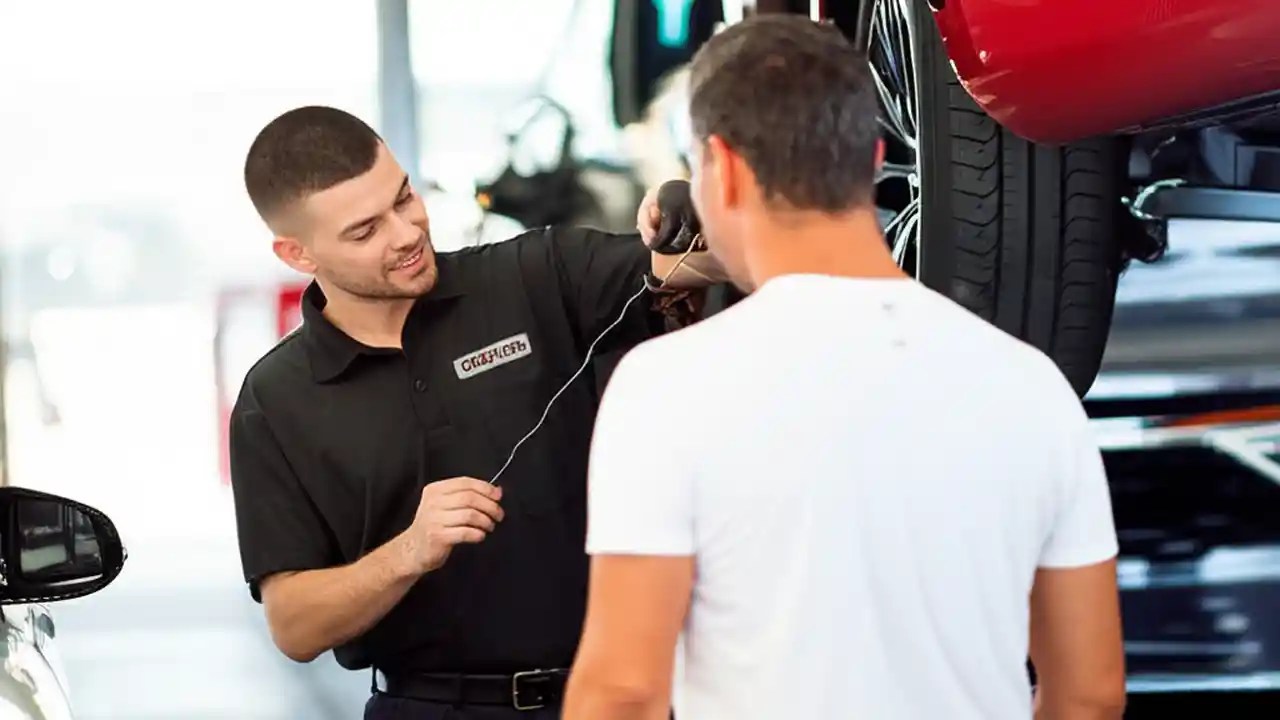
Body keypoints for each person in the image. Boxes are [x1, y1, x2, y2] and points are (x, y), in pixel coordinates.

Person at [563, 15, 1127, 720]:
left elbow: (622, 693)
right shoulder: (1031, 385)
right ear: (873, 159)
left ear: (726, 168)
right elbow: (1091, 694)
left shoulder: (663, 389)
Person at [228, 105, 722, 720]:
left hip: (615, 695)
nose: (406, 233)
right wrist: (409, 550)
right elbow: (294, 627)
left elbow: (709, 264)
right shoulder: (274, 402)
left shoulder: (536, 276)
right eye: (364, 231)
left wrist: (697, 209)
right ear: (297, 254)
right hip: (432, 706)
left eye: (404, 199)